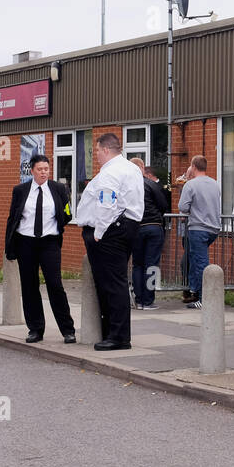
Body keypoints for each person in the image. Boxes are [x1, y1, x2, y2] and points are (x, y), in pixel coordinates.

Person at [74, 134, 143, 350]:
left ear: (105, 150)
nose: (96, 156)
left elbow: (106, 202)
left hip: (110, 231)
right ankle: (113, 332)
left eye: (96, 151)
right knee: (115, 282)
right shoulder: (130, 168)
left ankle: (118, 336)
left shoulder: (111, 172)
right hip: (124, 228)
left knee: (111, 284)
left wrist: (100, 231)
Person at [4, 154, 76, 344]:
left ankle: (68, 329)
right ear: (32, 170)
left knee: (55, 284)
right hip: (26, 242)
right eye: (40, 169)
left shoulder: (58, 189)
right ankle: (35, 329)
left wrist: (61, 218)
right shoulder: (20, 190)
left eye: (46, 169)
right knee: (29, 286)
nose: (44, 172)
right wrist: (9, 247)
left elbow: (67, 213)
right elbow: (13, 219)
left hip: (49, 242)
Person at [176, 154, 221, 309]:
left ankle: (204, 298)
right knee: (195, 259)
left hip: (198, 228)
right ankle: (194, 290)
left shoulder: (191, 185)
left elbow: (182, 207)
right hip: (213, 228)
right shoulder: (215, 184)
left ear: (193, 167)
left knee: (201, 263)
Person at [131, 160, 169, 311]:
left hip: (135, 228)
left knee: (137, 264)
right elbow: (163, 205)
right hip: (153, 227)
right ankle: (148, 301)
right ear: (141, 168)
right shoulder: (150, 184)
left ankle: (139, 299)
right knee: (152, 265)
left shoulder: (128, 186)